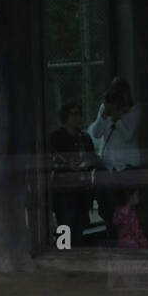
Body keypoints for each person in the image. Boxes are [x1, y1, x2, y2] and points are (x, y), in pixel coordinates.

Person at [87, 77, 145, 244]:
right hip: (108, 168)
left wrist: (116, 118)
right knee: (107, 209)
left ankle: (127, 240)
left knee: (126, 210)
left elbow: (128, 135)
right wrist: (104, 116)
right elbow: (96, 133)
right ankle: (112, 238)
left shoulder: (135, 110)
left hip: (126, 168)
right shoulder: (105, 108)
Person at [48, 101, 99, 239]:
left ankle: (77, 257)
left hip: (83, 190)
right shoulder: (56, 137)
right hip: (65, 191)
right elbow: (48, 162)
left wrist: (91, 162)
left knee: (80, 227)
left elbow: (94, 158)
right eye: (74, 114)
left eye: (79, 114)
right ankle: (63, 257)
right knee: (65, 227)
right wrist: (66, 166)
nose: (78, 118)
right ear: (65, 117)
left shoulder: (85, 137)